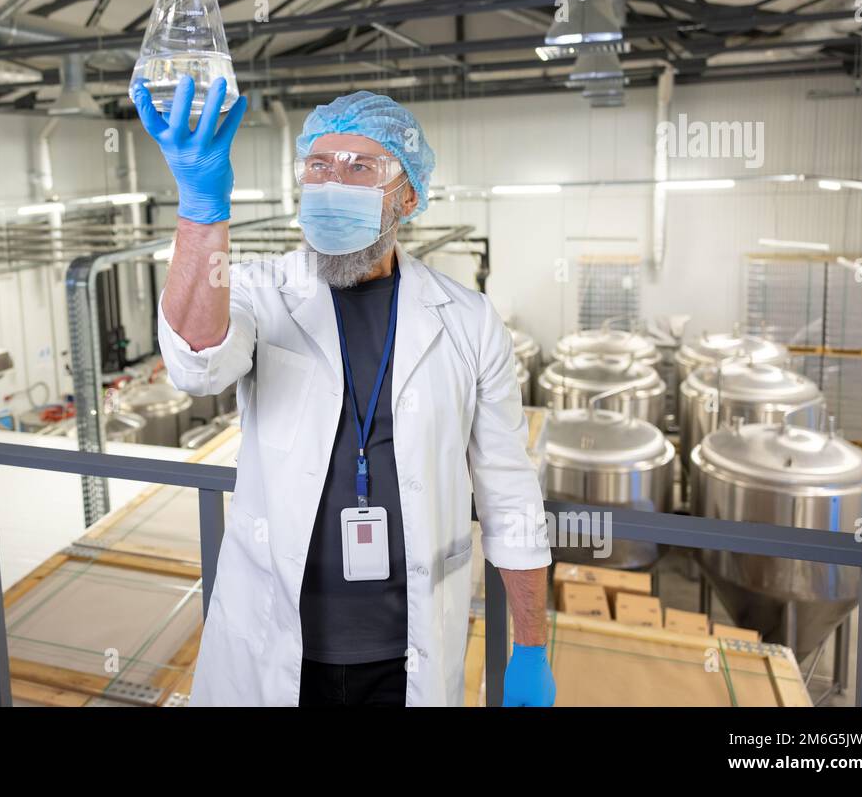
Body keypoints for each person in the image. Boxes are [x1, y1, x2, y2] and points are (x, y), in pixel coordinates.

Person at [133, 74, 554, 707]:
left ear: (407, 196)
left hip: (406, 651)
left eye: (362, 167)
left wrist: (530, 646)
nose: (334, 182)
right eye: (320, 166)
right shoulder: (256, 288)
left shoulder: (467, 320)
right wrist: (200, 208)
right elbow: (196, 365)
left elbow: (508, 489)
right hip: (276, 644)